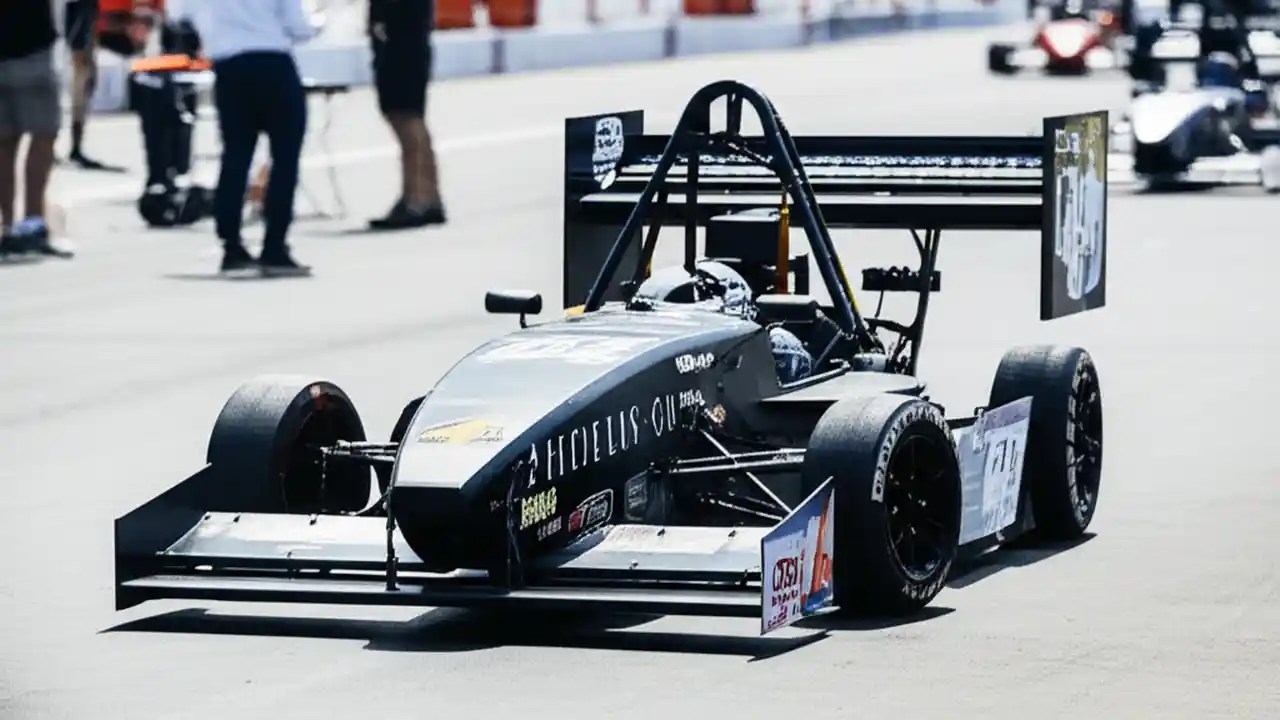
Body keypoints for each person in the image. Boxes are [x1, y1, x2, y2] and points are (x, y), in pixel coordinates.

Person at [168, 0, 322, 277]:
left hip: (229, 67)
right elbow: (299, 27)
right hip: (273, 62)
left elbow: (177, 13)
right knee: (285, 158)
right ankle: (275, 243)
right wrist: (319, 21)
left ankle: (231, 244)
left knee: (235, 157)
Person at [368, 0, 447, 229]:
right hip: (406, 40)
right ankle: (429, 195)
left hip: (399, 43)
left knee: (404, 118)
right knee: (413, 117)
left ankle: (415, 197)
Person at [0, 0, 65, 257]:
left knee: (4, 141)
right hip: (33, 46)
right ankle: (33, 221)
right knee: (44, 134)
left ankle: (7, 224)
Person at [61, 0, 118, 170]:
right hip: (76, 48)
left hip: (82, 44)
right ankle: (73, 148)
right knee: (78, 94)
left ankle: (75, 147)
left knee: (82, 95)